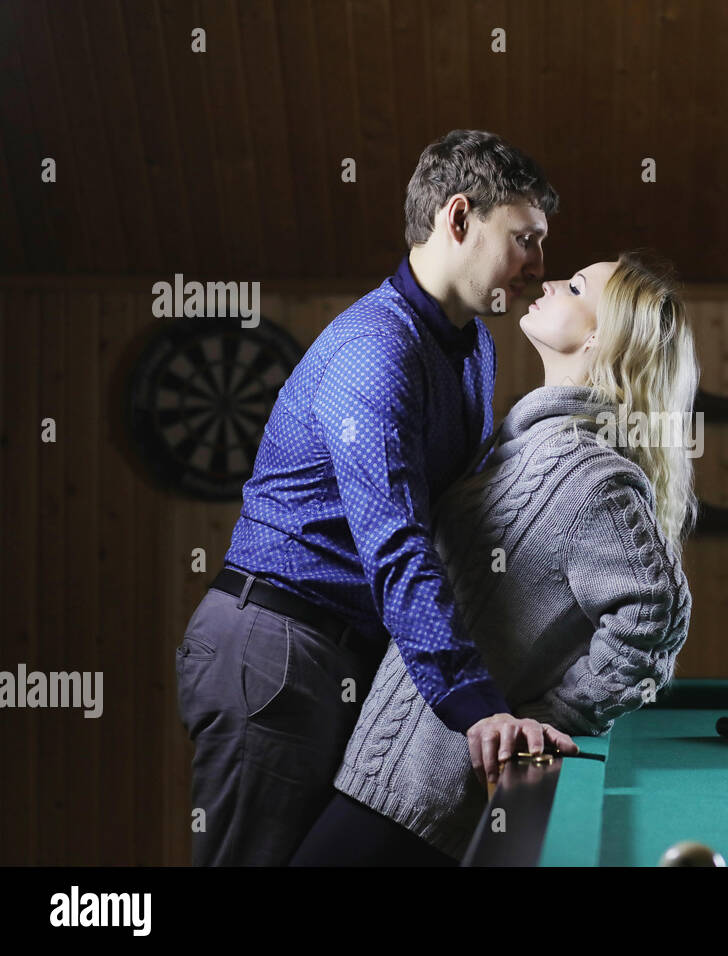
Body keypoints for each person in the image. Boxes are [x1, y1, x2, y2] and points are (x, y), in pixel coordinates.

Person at [173, 130, 571, 865]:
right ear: (459, 218)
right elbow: (397, 547)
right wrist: (477, 709)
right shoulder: (375, 352)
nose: (540, 268)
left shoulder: (473, 349)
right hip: (274, 650)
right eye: (526, 240)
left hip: (344, 662)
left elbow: (457, 518)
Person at [289, 251, 697, 865]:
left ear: (599, 335)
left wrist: (550, 715)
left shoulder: (593, 477)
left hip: (433, 797)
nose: (553, 281)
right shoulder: (522, 445)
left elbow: (657, 616)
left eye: (578, 286)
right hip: (386, 777)